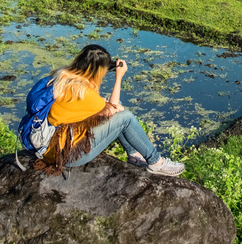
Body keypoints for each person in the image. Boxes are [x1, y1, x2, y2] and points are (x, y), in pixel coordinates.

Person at [33, 44, 185, 176]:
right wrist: (118, 77)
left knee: (116, 109)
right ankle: (156, 163)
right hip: (68, 155)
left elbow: (82, 109)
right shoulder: (84, 91)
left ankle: (134, 155)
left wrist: (107, 104)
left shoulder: (61, 76)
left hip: (51, 148)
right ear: (97, 71)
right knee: (126, 117)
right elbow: (114, 109)